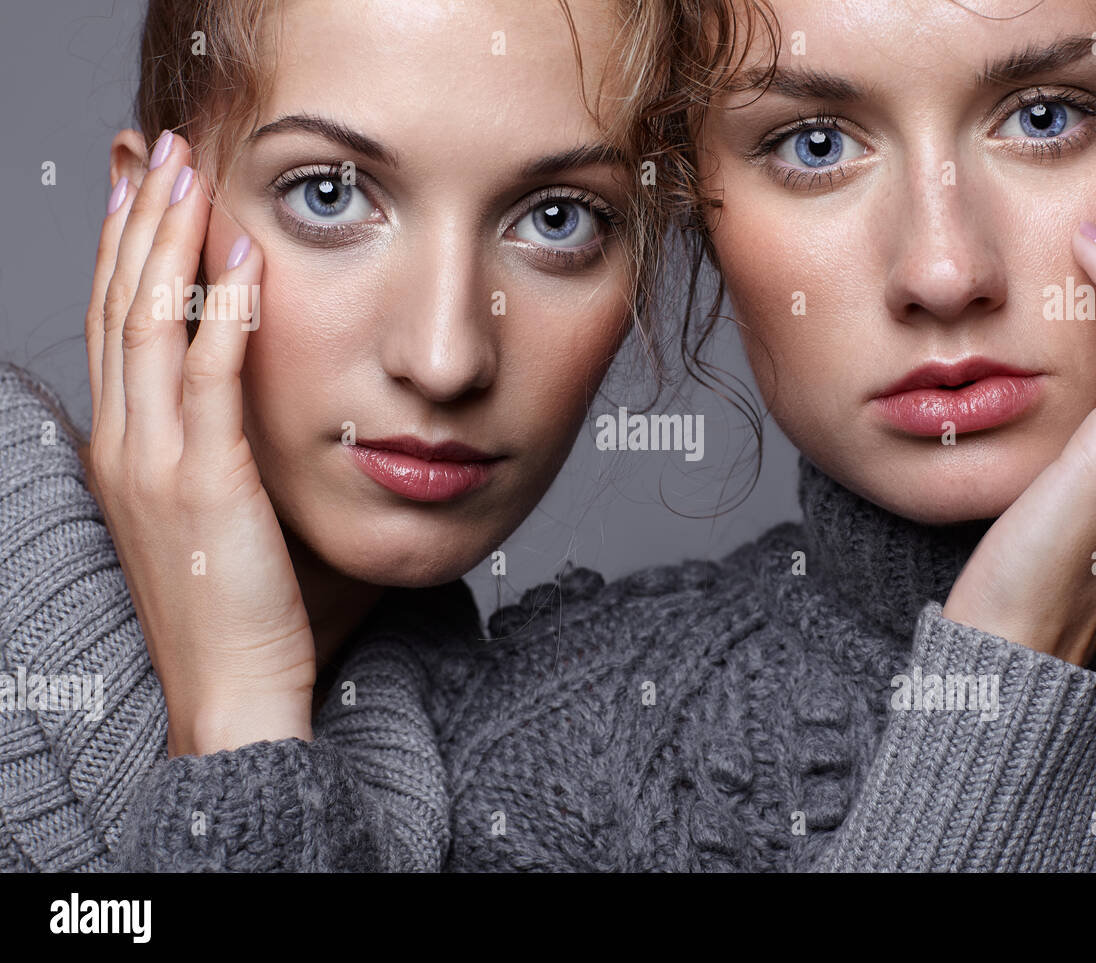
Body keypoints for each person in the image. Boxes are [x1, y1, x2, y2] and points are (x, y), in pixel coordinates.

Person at [37, 0, 1096, 873]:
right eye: (814, 142)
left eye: (1042, 115)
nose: (943, 268)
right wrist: (1011, 680)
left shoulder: (422, 742)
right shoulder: (540, 759)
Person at [0, 0, 671, 871]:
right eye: (329, 192)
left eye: (558, 218)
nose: (444, 357)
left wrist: (242, 720)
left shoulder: (543, 791)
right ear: (149, 213)